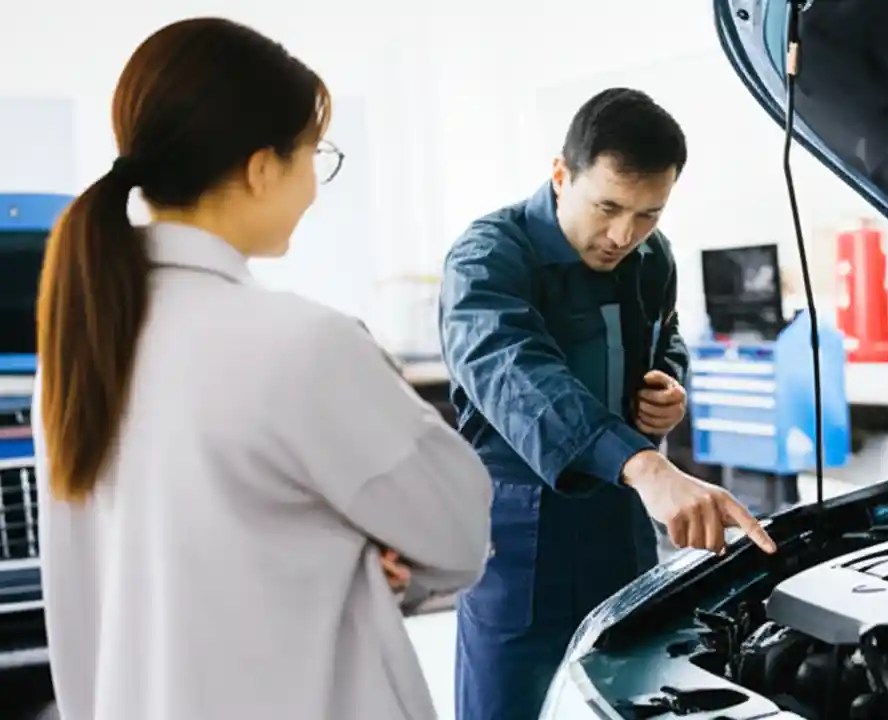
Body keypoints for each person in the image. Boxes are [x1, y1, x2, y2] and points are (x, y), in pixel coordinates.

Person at [32, 18, 492, 720]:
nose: (314, 185)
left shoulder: (79, 354)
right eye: (315, 154)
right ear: (261, 167)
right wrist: (369, 546)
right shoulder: (303, 343)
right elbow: (459, 536)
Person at [441, 87, 777, 720]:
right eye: (608, 207)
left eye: (649, 213)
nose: (624, 235)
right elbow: (517, 373)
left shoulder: (653, 257)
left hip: (620, 524)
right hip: (517, 532)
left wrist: (667, 385)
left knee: (622, 697)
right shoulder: (488, 258)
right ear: (561, 174)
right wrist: (647, 465)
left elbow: (666, 336)